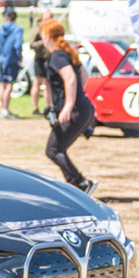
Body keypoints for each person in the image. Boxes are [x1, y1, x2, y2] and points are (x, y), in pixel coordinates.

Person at [39, 20, 96, 193]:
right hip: (83, 108)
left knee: (53, 150)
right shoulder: (68, 52)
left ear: (47, 36)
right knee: (57, 149)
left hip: (76, 110)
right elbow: (84, 77)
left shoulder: (57, 56)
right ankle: (77, 184)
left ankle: (81, 184)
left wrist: (69, 105)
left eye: (42, 34)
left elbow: (70, 78)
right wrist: (78, 98)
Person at [0, 7, 24, 119]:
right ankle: (5, 109)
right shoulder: (18, 29)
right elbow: (18, 45)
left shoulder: (0, 28)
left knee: (2, 84)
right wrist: (19, 57)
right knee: (9, 84)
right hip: (12, 60)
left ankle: (3, 109)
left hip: (3, 59)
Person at [28, 10, 55, 115]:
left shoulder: (52, 28)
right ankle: (35, 108)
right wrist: (43, 42)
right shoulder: (37, 28)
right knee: (37, 82)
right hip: (40, 58)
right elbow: (32, 44)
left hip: (50, 58)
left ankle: (49, 106)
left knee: (48, 83)